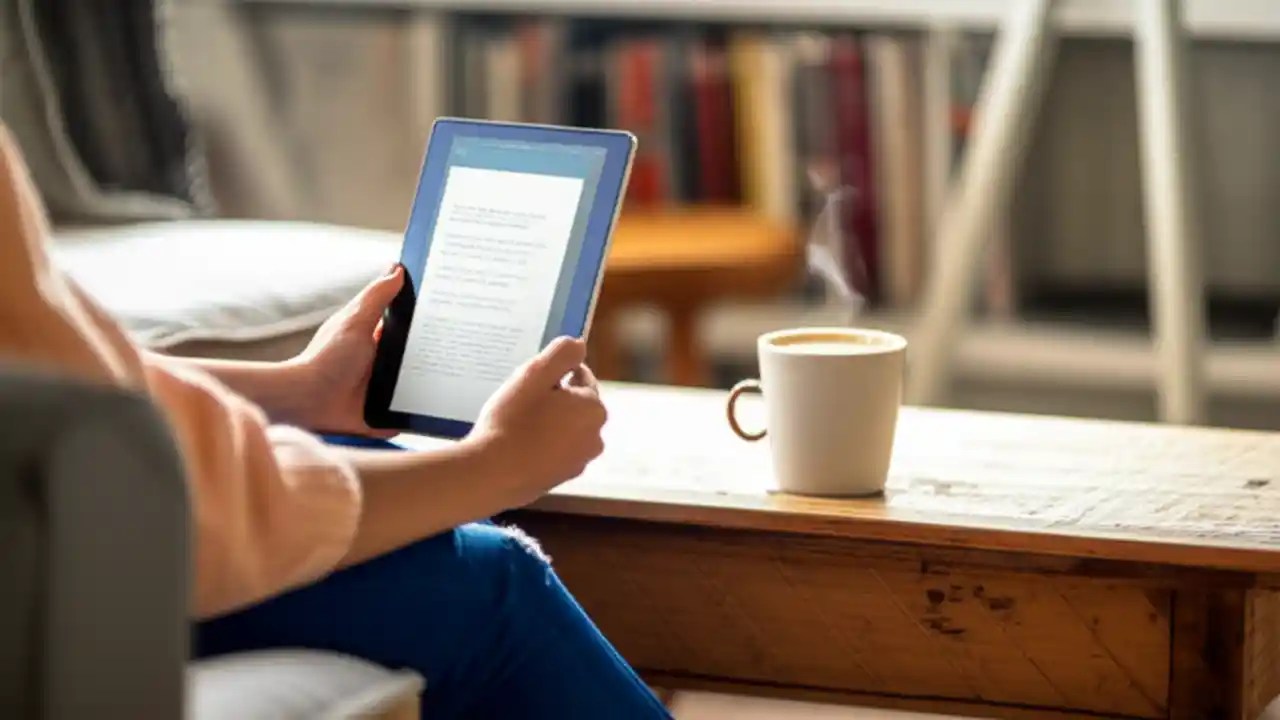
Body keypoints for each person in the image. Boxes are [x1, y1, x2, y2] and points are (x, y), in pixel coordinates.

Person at [0, 124, 670, 719]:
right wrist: (490, 466)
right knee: (492, 576)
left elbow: (57, 375)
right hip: (65, 578)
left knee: (386, 468)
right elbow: (195, 515)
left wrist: (293, 390)